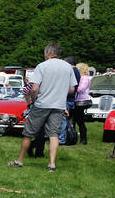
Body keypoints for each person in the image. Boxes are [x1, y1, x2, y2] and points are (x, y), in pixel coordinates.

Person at [10, 42, 75, 172]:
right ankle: (51, 164)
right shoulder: (68, 67)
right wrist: (59, 92)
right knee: (54, 135)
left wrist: (33, 100)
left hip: (42, 104)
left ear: (48, 53)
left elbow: (34, 88)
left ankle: (19, 161)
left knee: (28, 133)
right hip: (58, 105)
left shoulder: (42, 66)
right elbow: (72, 89)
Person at [73, 62, 91, 145]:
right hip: (78, 101)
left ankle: (83, 139)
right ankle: (76, 137)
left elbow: (80, 89)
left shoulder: (84, 78)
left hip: (81, 101)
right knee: (77, 119)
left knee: (79, 120)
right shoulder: (82, 77)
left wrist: (72, 87)